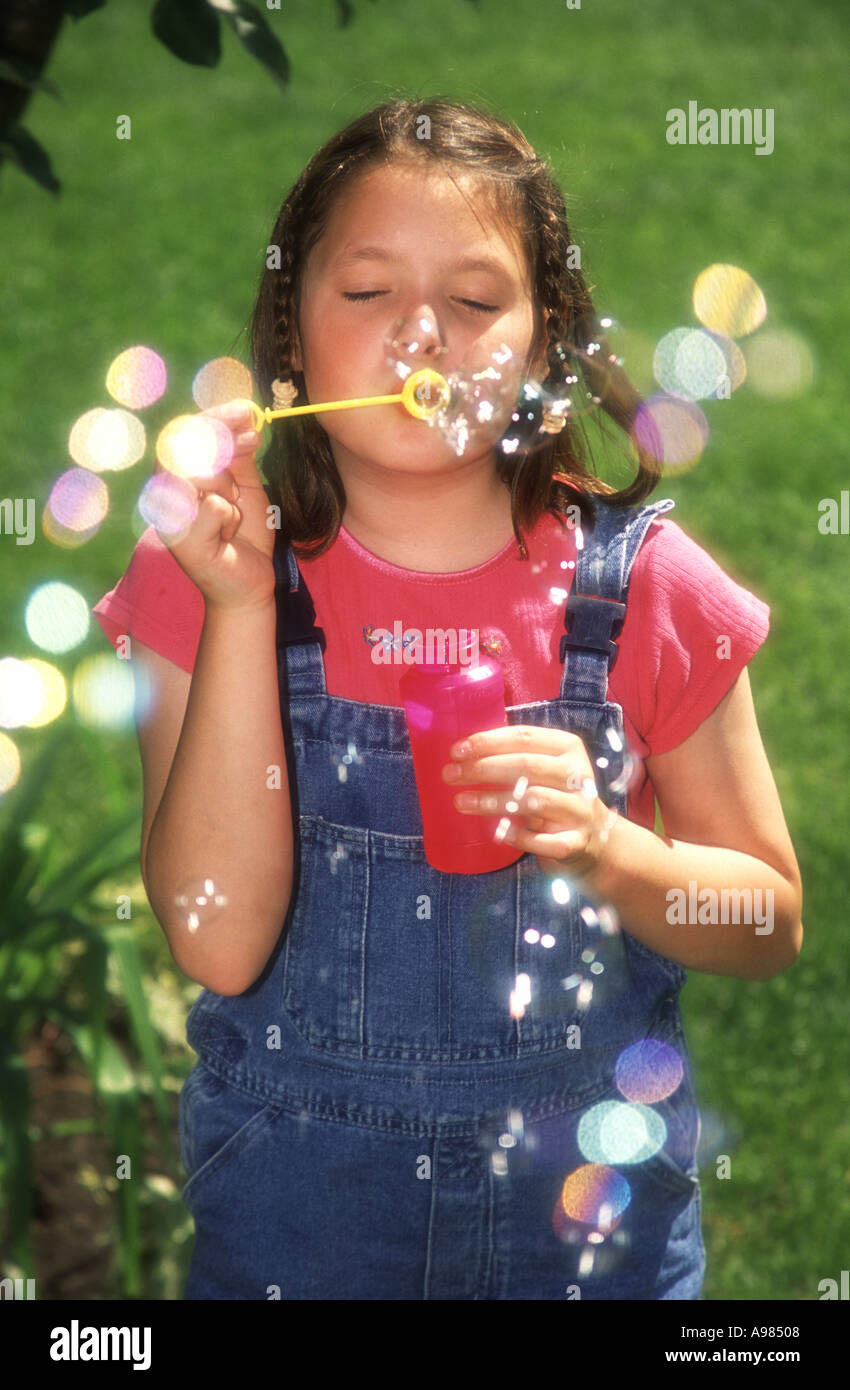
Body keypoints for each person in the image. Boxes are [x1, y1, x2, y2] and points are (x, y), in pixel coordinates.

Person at [93, 98, 803, 1300]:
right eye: (367, 294)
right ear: (292, 341)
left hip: (591, 1238)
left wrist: (613, 850)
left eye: (475, 303)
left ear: (542, 346)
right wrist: (241, 611)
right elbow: (216, 941)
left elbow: (766, 921)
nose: (421, 336)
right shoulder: (209, 577)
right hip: (302, 1238)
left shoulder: (641, 590)